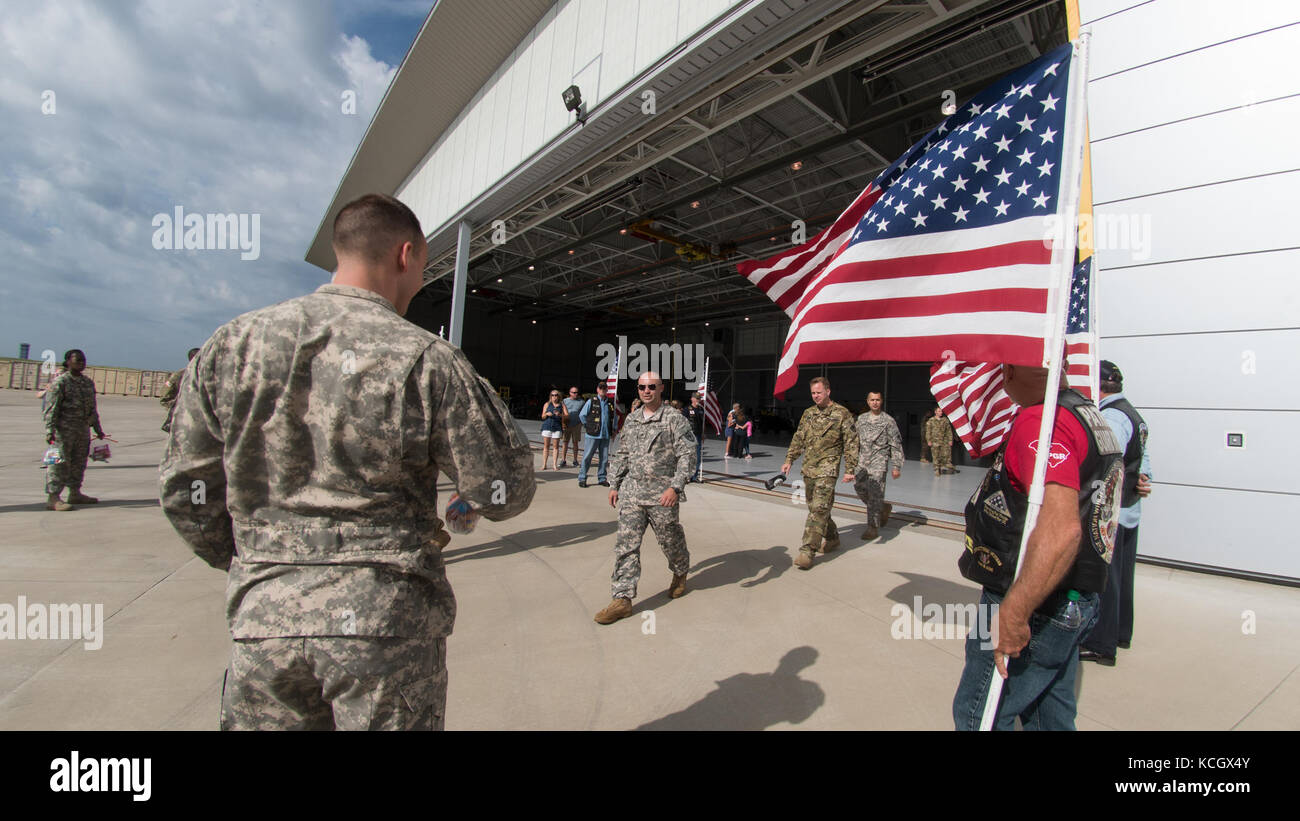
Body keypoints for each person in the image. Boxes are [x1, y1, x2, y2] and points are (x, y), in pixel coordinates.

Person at [159, 193, 535, 731]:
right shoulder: (426, 358)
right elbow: (506, 489)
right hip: (386, 628)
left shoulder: (232, 346)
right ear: (405, 255)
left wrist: (261, 565)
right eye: (423, 268)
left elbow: (185, 491)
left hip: (265, 620)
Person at [952, 361, 1123, 731]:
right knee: (1050, 713)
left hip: (1037, 599)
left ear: (1009, 372)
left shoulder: (1042, 421)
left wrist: (1014, 613)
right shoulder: (1088, 414)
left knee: (979, 715)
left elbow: (1062, 530)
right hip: (1077, 597)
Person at [594, 371, 696, 624]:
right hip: (632, 493)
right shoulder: (632, 419)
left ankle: (680, 570)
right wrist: (615, 483)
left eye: (652, 386)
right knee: (626, 546)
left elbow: (687, 455)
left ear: (661, 388)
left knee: (669, 540)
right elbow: (624, 452)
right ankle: (622, 598)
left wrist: (676, 487)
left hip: (662, 495)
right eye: (642, 387)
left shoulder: (674, 418)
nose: (646, 391)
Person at [1080, 360, 1152, 666]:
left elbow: (1108, 461)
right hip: (1129, 508)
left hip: (1112, 513)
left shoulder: (1111, 416)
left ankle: (1101, 643)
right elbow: (1142, 461)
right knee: (1123, 576)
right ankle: (1121, 633)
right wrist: (1142, 481)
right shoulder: (1132, 413)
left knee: (1104, 579)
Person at [781, 377, 858, 570]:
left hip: (828, 469)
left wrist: (850, 469)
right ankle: (832, 537)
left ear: (828, 391)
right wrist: (789, 459)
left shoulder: (842, 414)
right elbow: (799, 438)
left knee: (818, 509)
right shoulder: (808, 414)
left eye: (819, 392)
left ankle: (807, 551)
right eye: (813, 393)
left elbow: (851, 443)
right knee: (817, 508)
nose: (816, 396)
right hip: (809, 468)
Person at [43, 349, 107, 510]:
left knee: (79, 462)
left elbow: (92, 408)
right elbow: (51, 408)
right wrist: (49, 430)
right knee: (58, 463)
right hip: (62, 431)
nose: (81, 363)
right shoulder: (60, 382)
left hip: (82, 430)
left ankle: (75, 493)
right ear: (68, 362)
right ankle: (53, 497)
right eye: (77, 360)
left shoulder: (87, 383)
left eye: (83, 360)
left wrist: (97, 428)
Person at [854, 391, 903, 541]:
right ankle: (883, 508)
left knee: (875, 494)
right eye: (872, 400)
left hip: (879, 462)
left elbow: (896, 444)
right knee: (860, 488)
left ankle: (872, 527)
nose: (875, 402)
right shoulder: (861, 419)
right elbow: (853, 439)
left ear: (881, 401)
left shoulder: (888, 421)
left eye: (877, 400)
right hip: (862, 461)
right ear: (868, 402)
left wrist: (896, 466)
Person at [578, 388, 613, 488]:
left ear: (607, 390)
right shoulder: (591, 401)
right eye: (601, 388)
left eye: (604, 388)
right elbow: (582, 415)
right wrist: (588, 426)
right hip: (593, 434)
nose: (603, 390)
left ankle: (602, 478)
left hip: (605, 435)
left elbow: (613, 417)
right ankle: (582, 478)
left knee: (604, 458)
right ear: (598, 389)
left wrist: (614, 429)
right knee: (587, 456)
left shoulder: (610, 403)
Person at [160, 347, 201, 433]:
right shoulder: (181, 375)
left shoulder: (180, 374)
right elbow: (165, 393)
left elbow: (165, 393)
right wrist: (175, 405)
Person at [925, 406, 955, 476]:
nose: (941, 412)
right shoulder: (931, 421)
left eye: (941, 411)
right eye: (939, 411)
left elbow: (949, 431)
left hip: (944, 441)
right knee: (935, 456)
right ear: (935, 412)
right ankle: (936, 469)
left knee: (944, 455)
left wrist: (950, 440)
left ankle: (942, 467)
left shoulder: (945, 420)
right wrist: (928, 440)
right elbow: (928, 432)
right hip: (934, 441)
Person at [683, 393, 707, 481]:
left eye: (699, 398)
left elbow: (703, 422)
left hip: (698, 434)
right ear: (692, 399)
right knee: (689, 455)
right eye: (696, 398)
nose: (698, 400)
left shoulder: (701, 409)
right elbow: (683, 423)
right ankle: (686, 475)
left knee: (697, 456)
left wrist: (704, 433)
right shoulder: (687, 410)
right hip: (689, 435)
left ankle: (694, 476)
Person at [540, 389, 565, 469]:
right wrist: (547, 414)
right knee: (546, 446)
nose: (554, 397)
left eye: (556, 395)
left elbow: (567, 416)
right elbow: (542, 416)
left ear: (559, 396)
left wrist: (560, 415)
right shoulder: (547, 404)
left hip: (557, 427)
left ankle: (554, 464)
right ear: (550, 396)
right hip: (547, 426)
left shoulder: (562, 405)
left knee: (556, 447)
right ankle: (544, 464)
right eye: (552, 395)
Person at [559, 386, 584, 467]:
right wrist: (562, 421)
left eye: (576, 392)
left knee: (575, 442)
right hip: (567, 424)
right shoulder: (565, 401)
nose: (575, 394)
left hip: (576, 424)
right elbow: (561, 411)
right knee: (565, 442)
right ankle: (563, 460)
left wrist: (581, 422)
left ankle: (575, 460)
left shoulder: (581, 402)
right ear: (570, 393)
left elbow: (583, 412)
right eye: (573, 392)